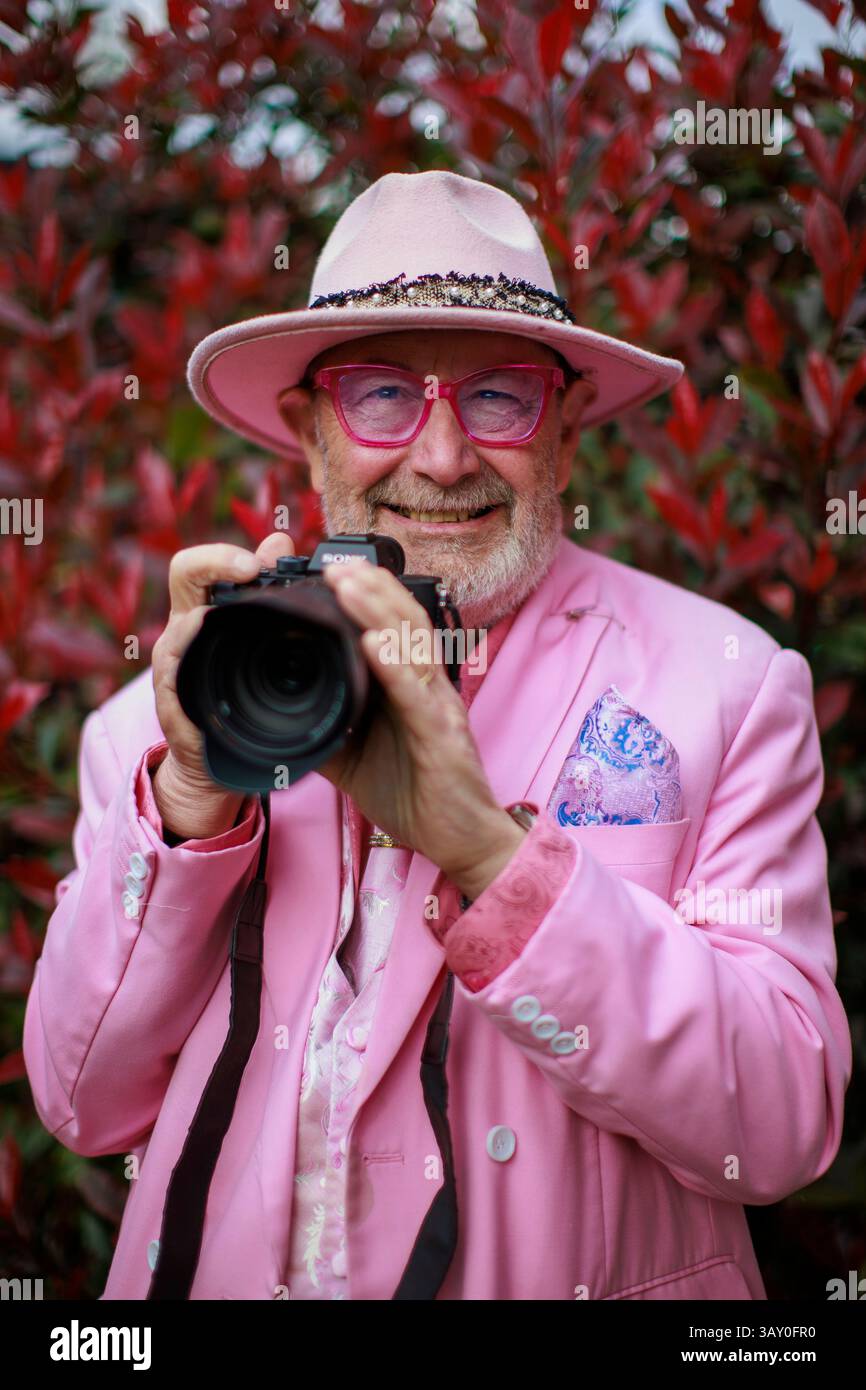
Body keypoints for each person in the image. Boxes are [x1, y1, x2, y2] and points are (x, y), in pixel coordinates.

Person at [23, 171, 851, 1301]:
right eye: (378, 396)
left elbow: (781, 1123)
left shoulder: (723, 686)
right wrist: (189, 811)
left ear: (563, 421)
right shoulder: (166, 720)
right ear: (306, 425)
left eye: (499, 396)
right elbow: (84, 1105)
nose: (445, 456)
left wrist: (496, 861)